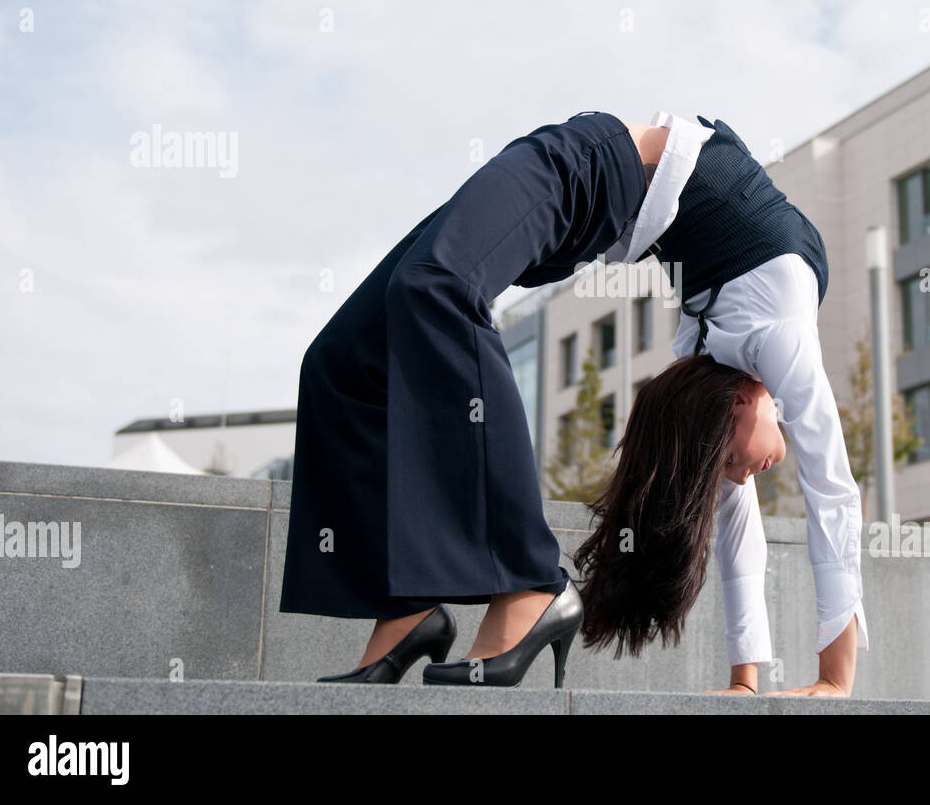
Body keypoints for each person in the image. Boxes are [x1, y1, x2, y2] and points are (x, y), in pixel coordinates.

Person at [279, 110, 661, 688]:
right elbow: (830, 484)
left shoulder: (740, 315)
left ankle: (531, 583)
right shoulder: (775, 272)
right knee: (341, 361)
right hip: (592, 157)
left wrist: (748, 673)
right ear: (750, 395)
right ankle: (407, 606)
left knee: (431, 289)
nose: (765, 459)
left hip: (600, 190)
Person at [574, 111, 869, 697]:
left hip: (679, 167)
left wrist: (835, 680)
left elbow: (832, 486)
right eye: (731, 468)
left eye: (729, 462)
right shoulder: (703, 358)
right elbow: (737, 533)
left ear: (740, 402)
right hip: (676, 200)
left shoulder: (776, 338)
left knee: (567, 226)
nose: (744, 474)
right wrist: (745, 682)